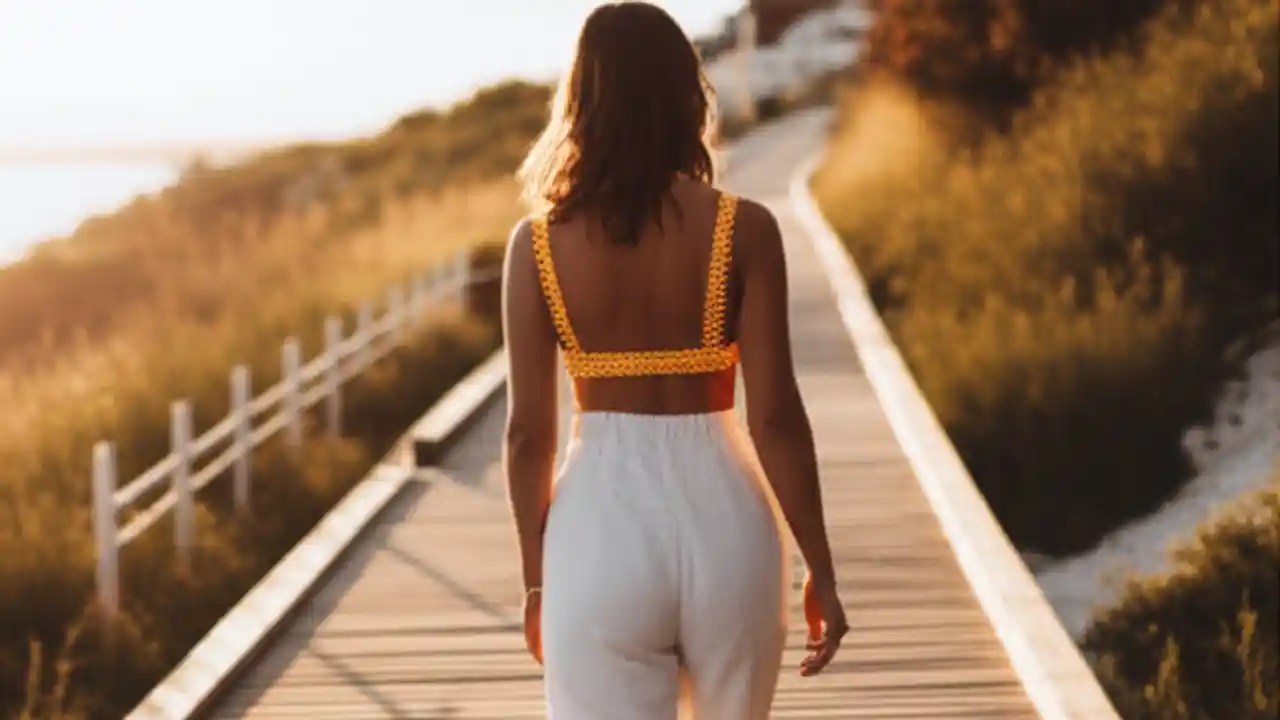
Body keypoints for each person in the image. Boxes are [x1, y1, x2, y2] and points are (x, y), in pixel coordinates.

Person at [502, 3, 846, 717]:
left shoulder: (536, 248)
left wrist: (538, 583)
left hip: (598, 531)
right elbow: (777, 417)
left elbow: (527, 436)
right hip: (728, 523)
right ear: (688, 94)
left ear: (580, 97)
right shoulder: (744, 229)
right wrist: (820, 565)